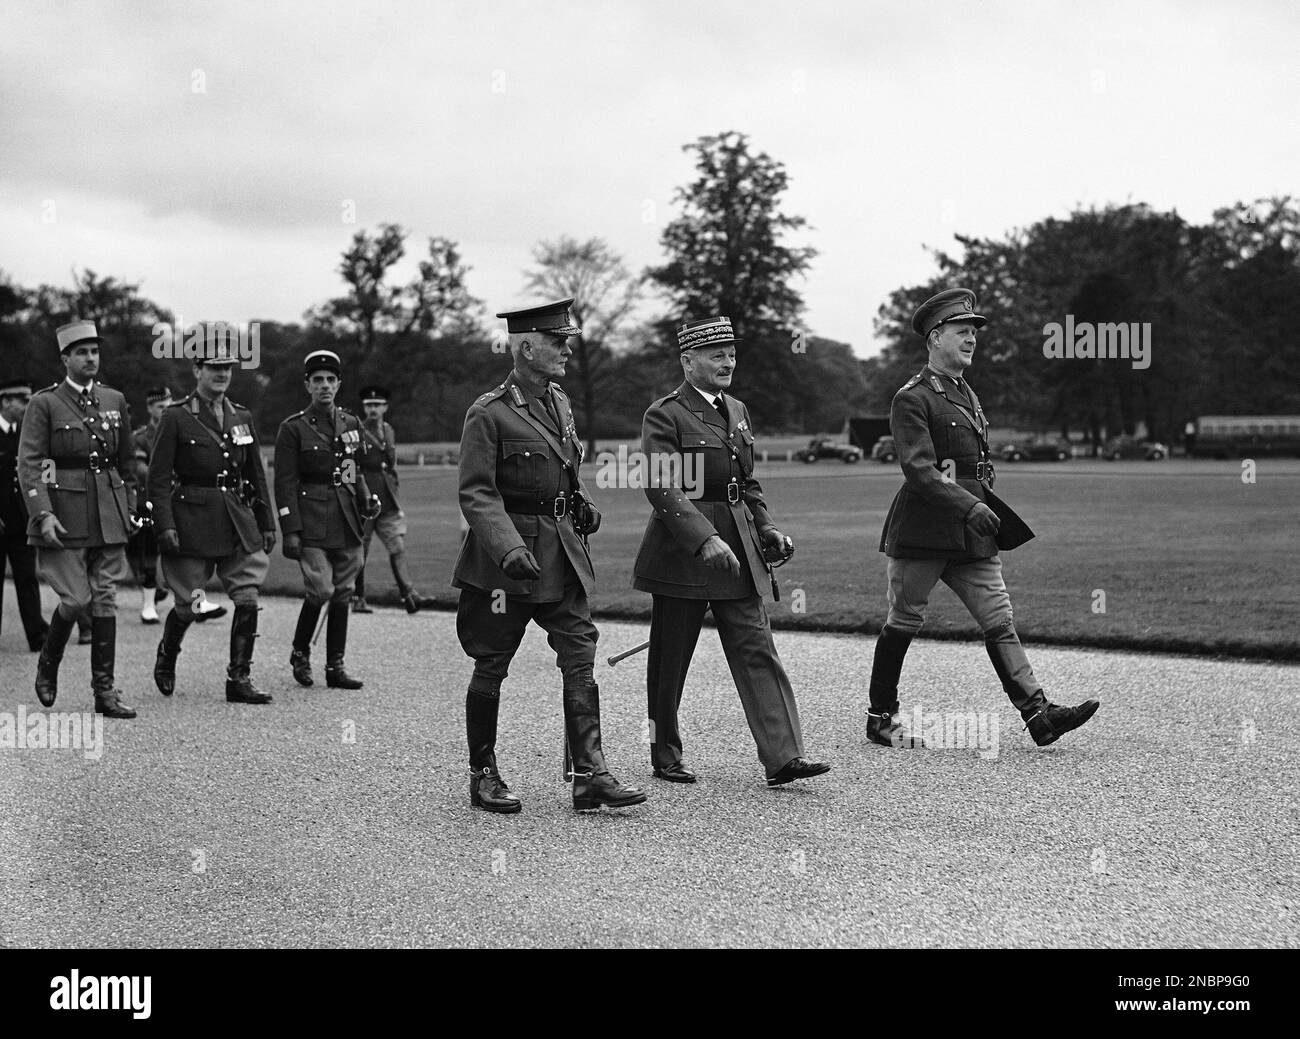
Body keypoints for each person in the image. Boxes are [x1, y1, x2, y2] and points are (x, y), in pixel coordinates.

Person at [869, 287, 1100, 748]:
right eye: (962, 330)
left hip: (974, 528)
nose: (972, 338)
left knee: (999, 615)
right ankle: (880, 715)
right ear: (935, 337)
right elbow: (918, 468)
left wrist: (981, 507)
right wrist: (969, 505)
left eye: (974, 331)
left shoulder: (966, 393)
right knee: (905, 618)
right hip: (925, 528)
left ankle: (1038, 712)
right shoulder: (912, 398)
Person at [454, 298, 645, 814]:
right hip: (507, 562)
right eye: (558, 342)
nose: (566, 349)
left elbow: (562, 469)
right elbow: (477, 493)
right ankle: (484, 774)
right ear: (527, 347)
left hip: (561, 552)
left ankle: (590, 774)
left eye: (567, 341)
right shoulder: (488, 412)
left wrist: (579, 503)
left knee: (580, 652)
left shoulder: (560, 402)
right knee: (492, 660)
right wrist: (508, 547)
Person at [632, 316, 830, 787]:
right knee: (669, 657)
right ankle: (664, 753)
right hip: (683, 549)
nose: (727, 362)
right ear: (688, 361)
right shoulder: (665, 413)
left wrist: (767, 528)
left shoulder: (738, 409)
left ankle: (783, 756)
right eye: (716, 354)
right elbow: (660, 484)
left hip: (740, 548)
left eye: (731, 353)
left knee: (756, 646)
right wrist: (703, 537)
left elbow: (747, 482)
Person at [147, 331, 277, 704]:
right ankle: (168, 654)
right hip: (191, 518)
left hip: (235, 515)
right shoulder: (175, 417)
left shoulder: (242, 416)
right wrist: (165, 524)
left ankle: (239, 679)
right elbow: (157, 479)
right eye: (214, 367)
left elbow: (255, 473)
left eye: (227, 368)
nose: (222, 374)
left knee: (248, 597)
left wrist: (266, 521)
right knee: (189, 604)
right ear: (197, 370)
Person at [18, 320, 138, 718]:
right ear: (65, 358)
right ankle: (48, 664)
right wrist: (43, 513)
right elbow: (32, 465)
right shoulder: (45, 403)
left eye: (95, 351)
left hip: (109, 512)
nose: (90, 358)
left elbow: (126, 462)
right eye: (82, 352)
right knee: (75, 599)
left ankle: (104, 692)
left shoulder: (114, 399)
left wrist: (131, 507)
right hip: (65, 515)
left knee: (105, 598)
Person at [275, 349, 378, 690]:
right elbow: (285, 483)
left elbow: (353, 468)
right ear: (307, 385)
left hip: (346, 517)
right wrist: (290, 530)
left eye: (330, 380)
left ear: (338, 384)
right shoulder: (293, 429)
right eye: (317, 380)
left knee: (344, 590)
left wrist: (366, 499)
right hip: (311, 520)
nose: (324, 386)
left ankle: (335, 666)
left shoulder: (350, 423)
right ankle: (300, 652)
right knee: (320, 589)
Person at [350, 385, 436, 614]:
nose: (373, 409)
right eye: (369, 405)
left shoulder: (388, 430)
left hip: (387, 499)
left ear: (385, 407)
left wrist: (394, 491)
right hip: (364, 500)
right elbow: (354, 467)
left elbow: (391, 465)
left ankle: (408, 595)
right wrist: (361, 495)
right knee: (361, 552)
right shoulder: (355, 431)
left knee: (397, 546)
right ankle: (357, 597)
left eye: (377, 405)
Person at [0, 376, 49, 652]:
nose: (28, 405)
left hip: (20, 522)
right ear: (6, 402)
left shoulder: (25, 436)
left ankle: (37, 635)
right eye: (23, 400)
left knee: (27, 579)